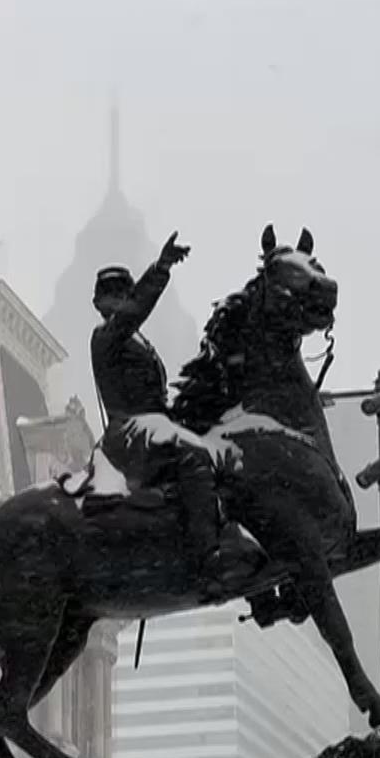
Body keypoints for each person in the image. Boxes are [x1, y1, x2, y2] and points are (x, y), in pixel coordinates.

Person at [92, 232, 245, 591]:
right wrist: (160, 268)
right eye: (120, 296)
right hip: (129, 430)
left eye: (126, 295)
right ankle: (207, 559)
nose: (124, 303)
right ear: (103, 303)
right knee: (192, 454)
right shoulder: (106, 336)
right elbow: (134, 313)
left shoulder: (137, 341)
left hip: (153, 424)